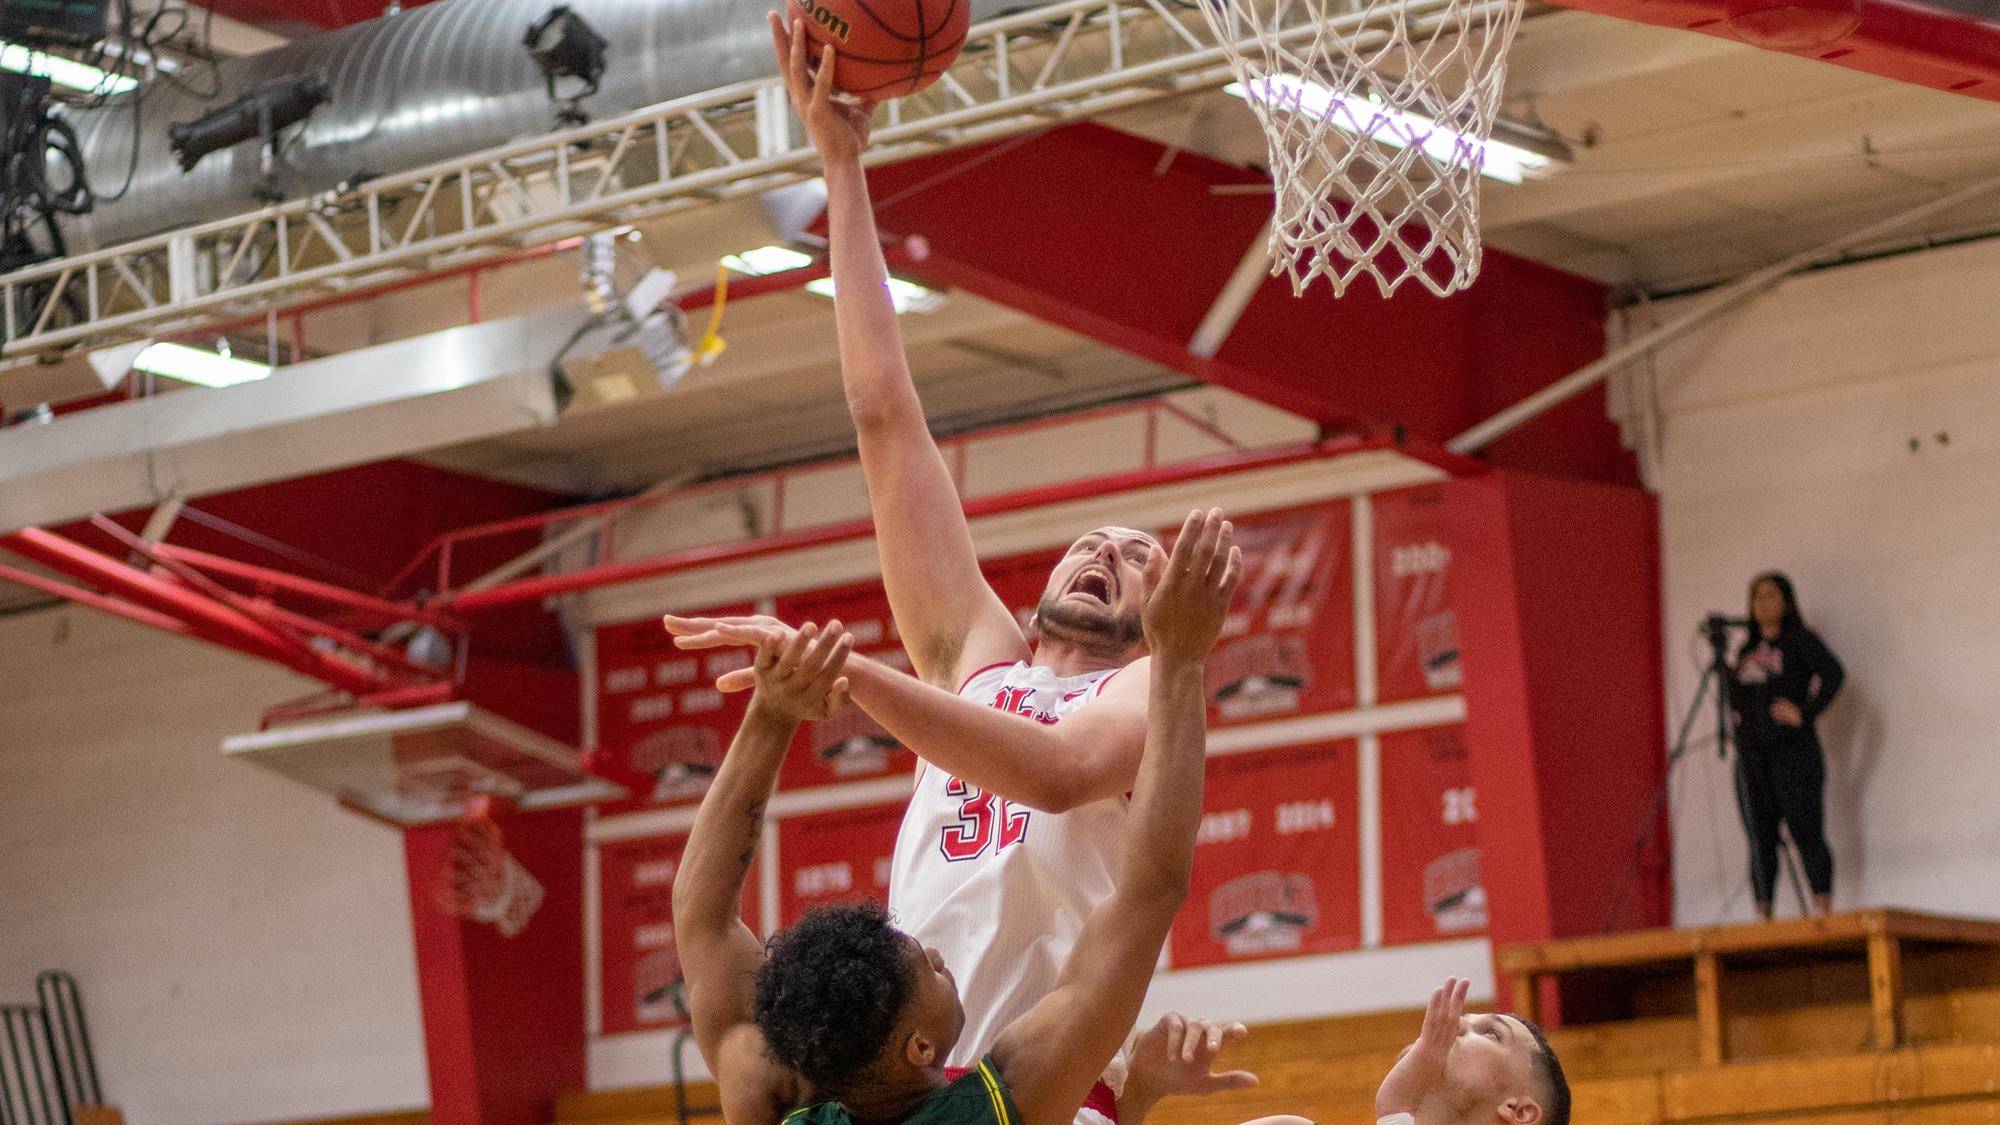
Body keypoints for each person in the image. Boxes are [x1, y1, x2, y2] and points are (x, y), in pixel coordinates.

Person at [663, 14, 1196, 1096]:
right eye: (1089, 542)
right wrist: (841, 168)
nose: (1105, 550)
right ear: (1041, 592)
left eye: (1138, 557)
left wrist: (845, 673)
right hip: (889, 1079)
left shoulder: (1153, 692)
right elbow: (882, 417)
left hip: (1034, 1086)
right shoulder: (971, 661)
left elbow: (1053, 776)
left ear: (1159, 615)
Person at [671, 509, 1241, 1125]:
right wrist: (1181, 661)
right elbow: (1150, 889)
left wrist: (772, 711)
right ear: (920, 1047)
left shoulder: (783, 1095)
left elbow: (703, 922)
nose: (936, 953)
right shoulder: (997, 1102)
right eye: (930, 964)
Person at [1727, 571, 1845, 920]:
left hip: (1793, 754)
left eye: (1771, 596)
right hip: (1753, 757)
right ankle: (1764, 914)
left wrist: (1805, 713)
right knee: (1760, 837)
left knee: (1805, 829)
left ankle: (1822, 909)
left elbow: (1834, 674)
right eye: (1756, 597)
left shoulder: (1800, 640)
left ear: (1786, 601)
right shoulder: (1745, 651)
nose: (1763, 603)